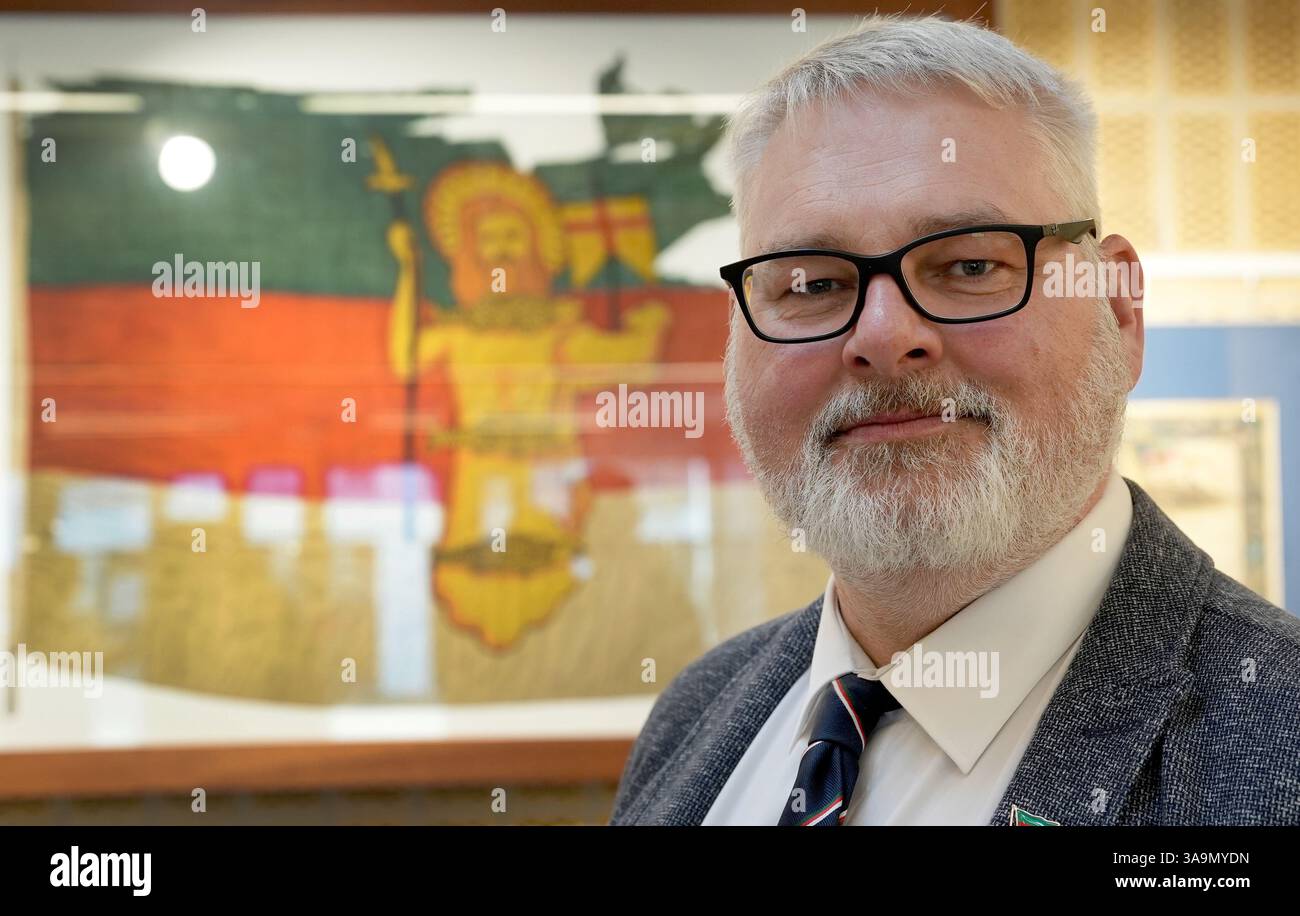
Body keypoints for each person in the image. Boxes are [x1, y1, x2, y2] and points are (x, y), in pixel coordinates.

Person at [609, 14, 1300, 826]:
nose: (883, 336)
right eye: (810, 284)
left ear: (1118, 308)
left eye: (970, 265)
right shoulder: (695, 714)